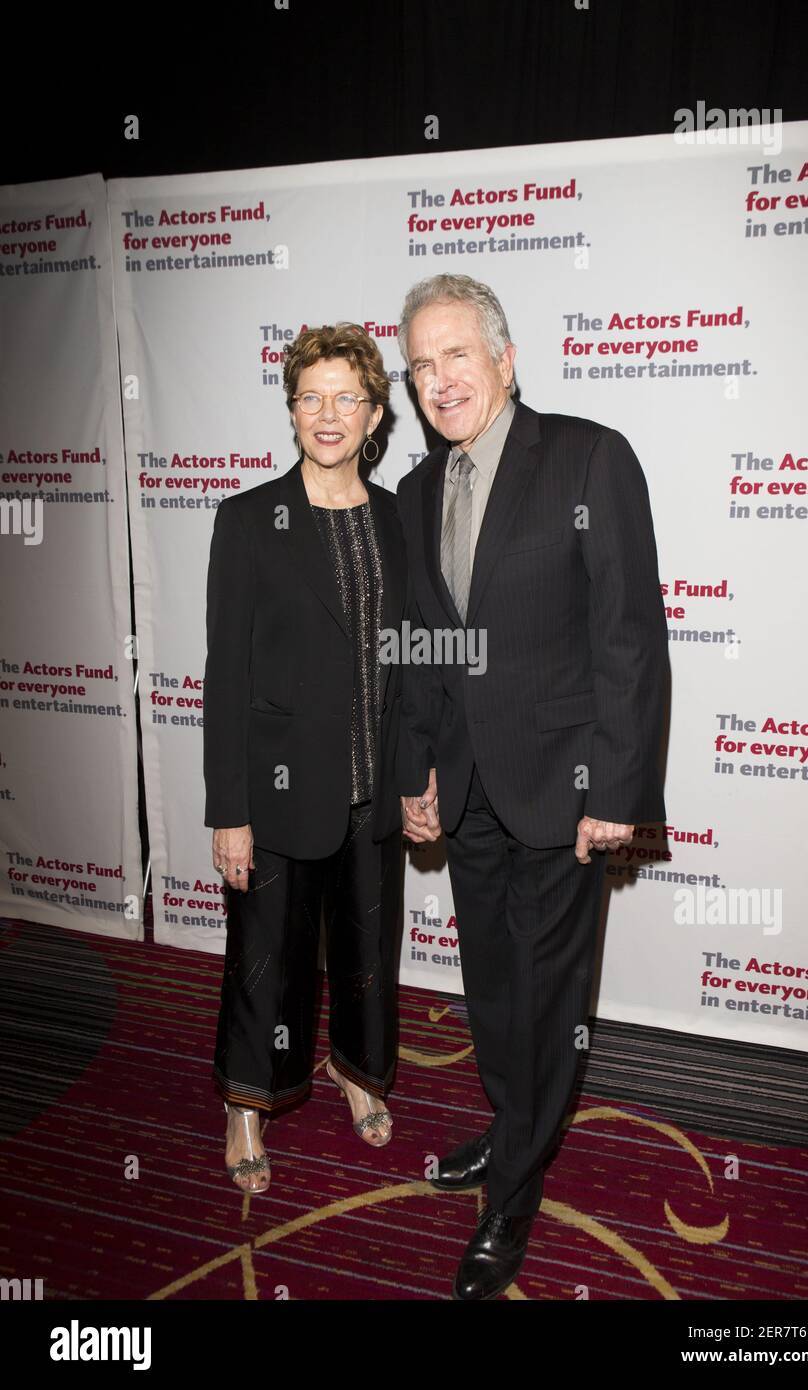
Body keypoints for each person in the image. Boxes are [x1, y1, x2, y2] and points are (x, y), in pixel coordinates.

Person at [395, 273, 669, 1298]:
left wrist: (617, 792)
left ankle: (510, 1192)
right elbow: (422, 646)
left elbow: (627, 641)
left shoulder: (588, 456)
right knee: (493, 984)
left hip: (565, 784)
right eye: (420, 364)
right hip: (465, 786)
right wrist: (414, 768)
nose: (438, 379)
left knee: (549, 994)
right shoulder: (421, 490)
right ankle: (514, 1127)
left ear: (504, 358)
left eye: (454, 354)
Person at [203, 323, 409, 1194]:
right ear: (291, 409)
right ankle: (247, 1104)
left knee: (368, 951)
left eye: (347, 399)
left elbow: (407, 653)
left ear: (373, 416)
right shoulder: (249, 519)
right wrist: (229, 811)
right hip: (280, 792)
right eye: (311, 397)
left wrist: (413, 777)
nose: (329, 415)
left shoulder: (396, 516)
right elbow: (226, 672)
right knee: (266, 959)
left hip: (372, 789)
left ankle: (357, 1070)